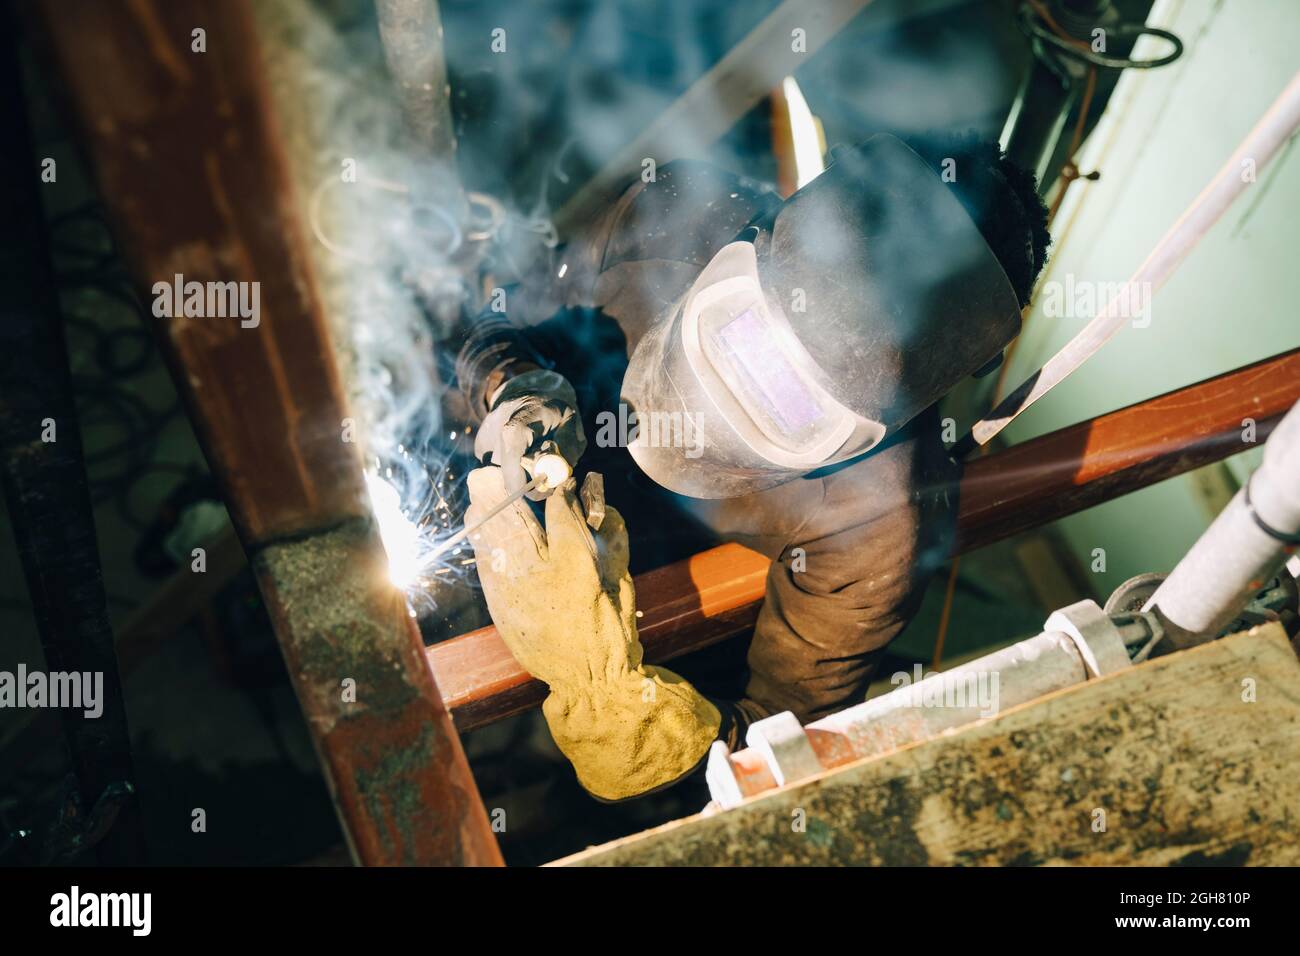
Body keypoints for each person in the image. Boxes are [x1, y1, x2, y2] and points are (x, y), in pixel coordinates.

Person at [458, 133, 1050, 801]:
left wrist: (611, 696)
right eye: (744, 338)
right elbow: (493, 317)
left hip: (666, 630)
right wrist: (513, 384)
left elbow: (770, 754)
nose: (731, 397)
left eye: (798, 401)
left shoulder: (879, 528)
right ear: (760, 241)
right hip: (528, 477)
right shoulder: (670, 216)